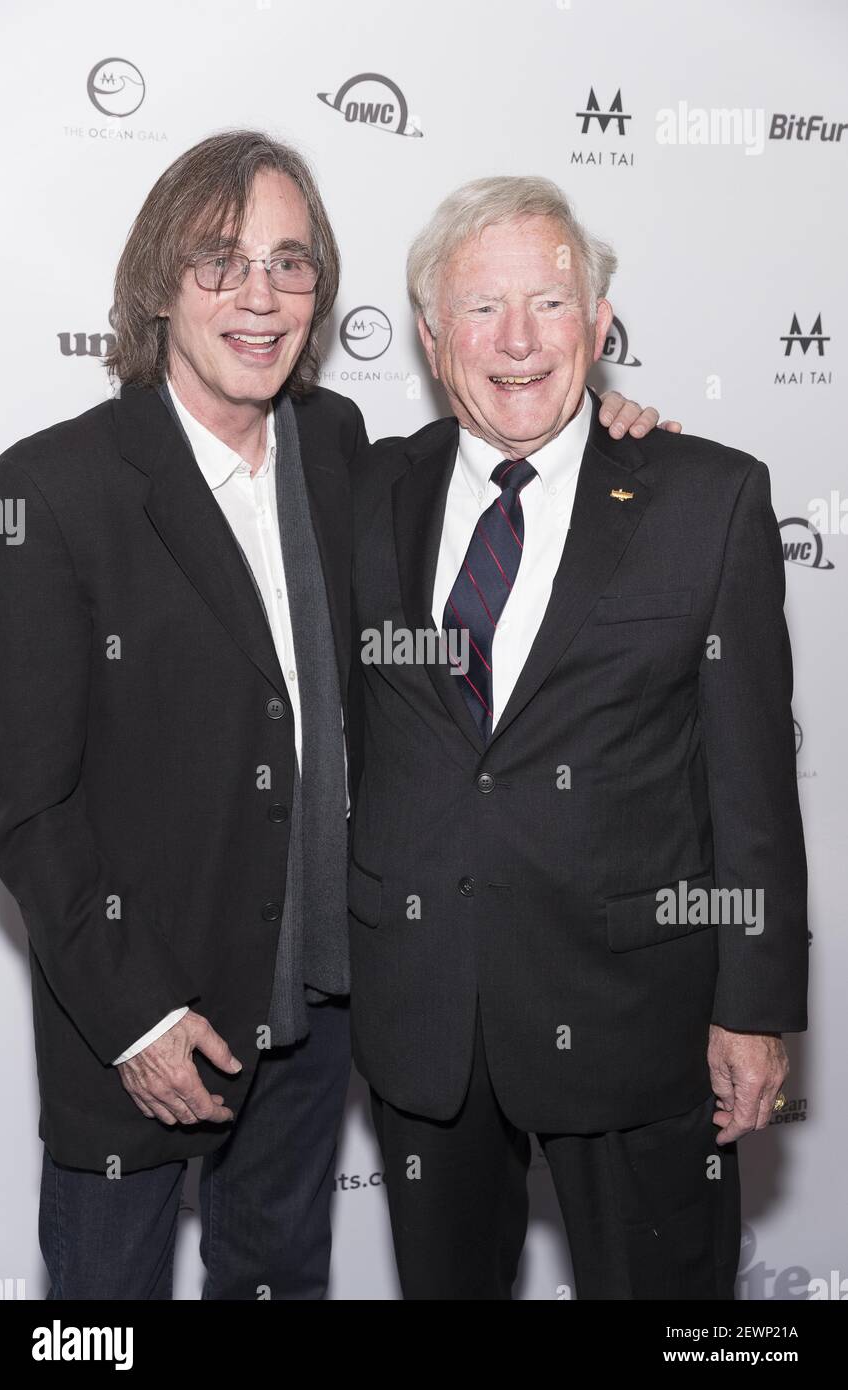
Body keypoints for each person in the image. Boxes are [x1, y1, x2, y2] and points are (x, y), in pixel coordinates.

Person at [0, 134, 666, 1300]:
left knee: (279, 1283)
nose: (259, 296)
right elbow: (24, 800)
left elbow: (504, 450)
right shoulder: (49, 491)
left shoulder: (343, 451)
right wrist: (134, 1014)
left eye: (289, 264)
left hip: (317, 1007)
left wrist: (598, 430)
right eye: (220, 261)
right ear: (158, 282)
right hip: (142, 1020)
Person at [347, 175, 808, 1300]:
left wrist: (751, 1005)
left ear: (599, 325)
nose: (516, 341)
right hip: (426, 1022)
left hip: (634, 1024)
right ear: (427, 332)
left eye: (549, 305)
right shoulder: (360, 491)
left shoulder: (707, 498)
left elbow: (751, 779)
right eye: (480, 307)